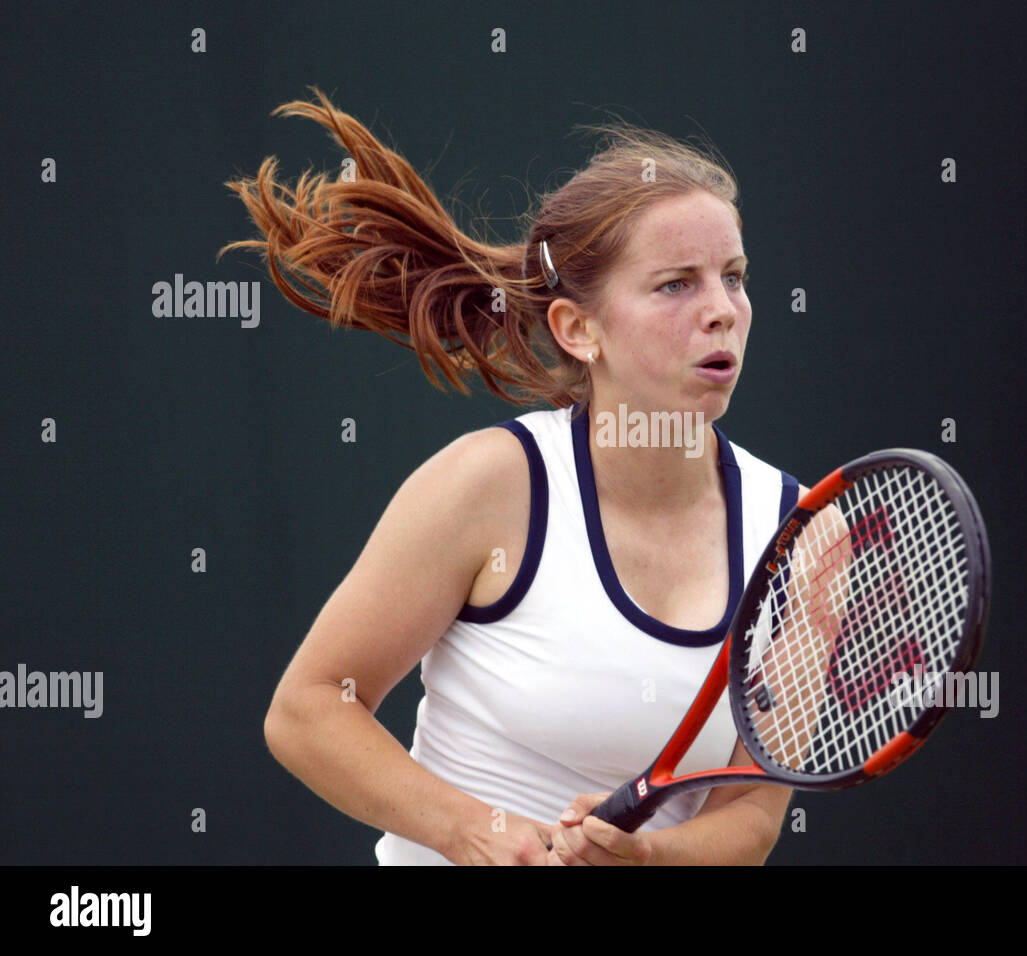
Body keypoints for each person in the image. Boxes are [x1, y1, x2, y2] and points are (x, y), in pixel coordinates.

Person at [219, 88, 805, 865]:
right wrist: (476, 831)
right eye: (676, 284)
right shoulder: (491, 485)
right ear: (578, 328)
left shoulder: (803, 532)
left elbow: (751, 816)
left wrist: (645, 859)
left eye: (734, 276)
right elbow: (308, 709)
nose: (723, 309)